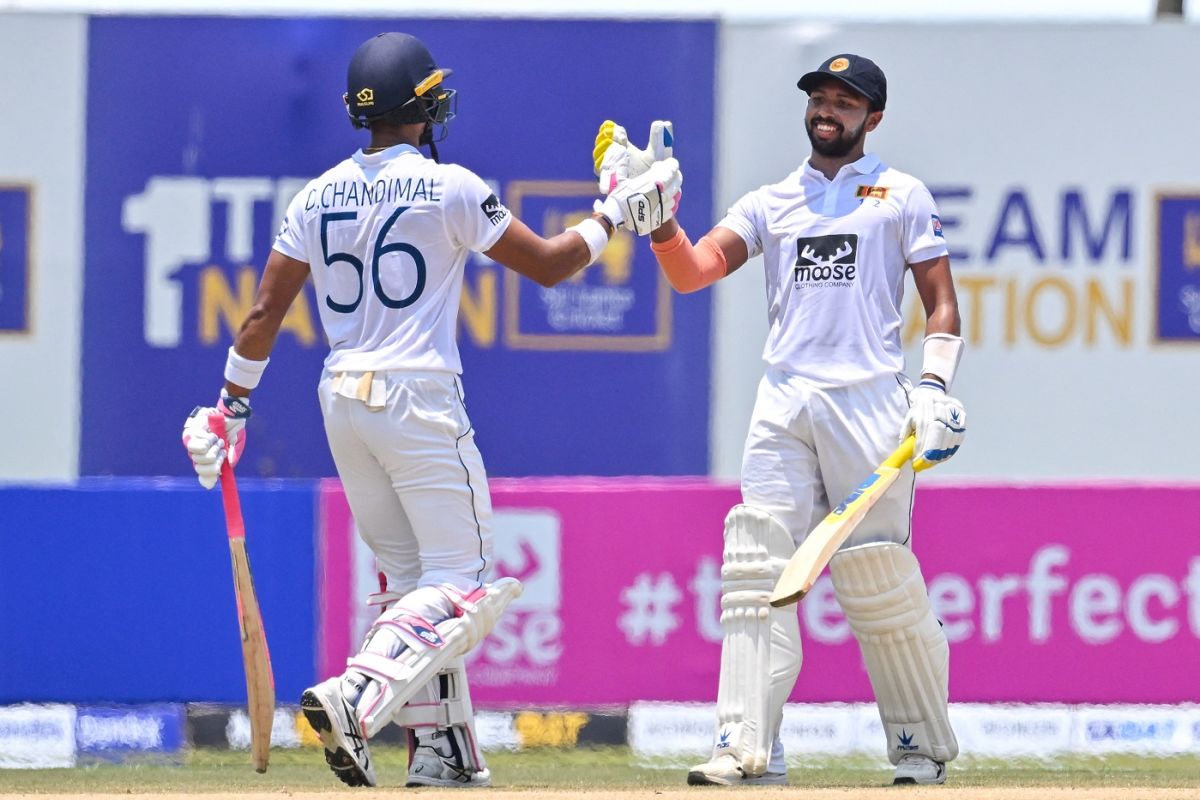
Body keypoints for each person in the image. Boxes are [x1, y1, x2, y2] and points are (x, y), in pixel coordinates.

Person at [181, 32, 680, 789]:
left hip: (342, 399)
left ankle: (442, 751)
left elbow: (261, 316)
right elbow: (549, 265)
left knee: (411, 582)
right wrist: (614, 214)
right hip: (417, 394)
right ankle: (355, 694)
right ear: (419, 104)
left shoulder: (314, 196)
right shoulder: (449, 186)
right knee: (467, 579)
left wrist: (229, 410)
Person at [597, 54, 965, 786]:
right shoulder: (771, 201)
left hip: (868, 401)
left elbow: (942, 301)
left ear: (873, 117)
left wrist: (932, 386)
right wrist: (661, 225)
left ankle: (918, 746)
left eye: (846, 101)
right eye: (821, 98)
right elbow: (694, 271)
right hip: (784, 399)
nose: (829, 109)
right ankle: (745, 745)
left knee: (879, 578)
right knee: (756, 568)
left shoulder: (901, 194)